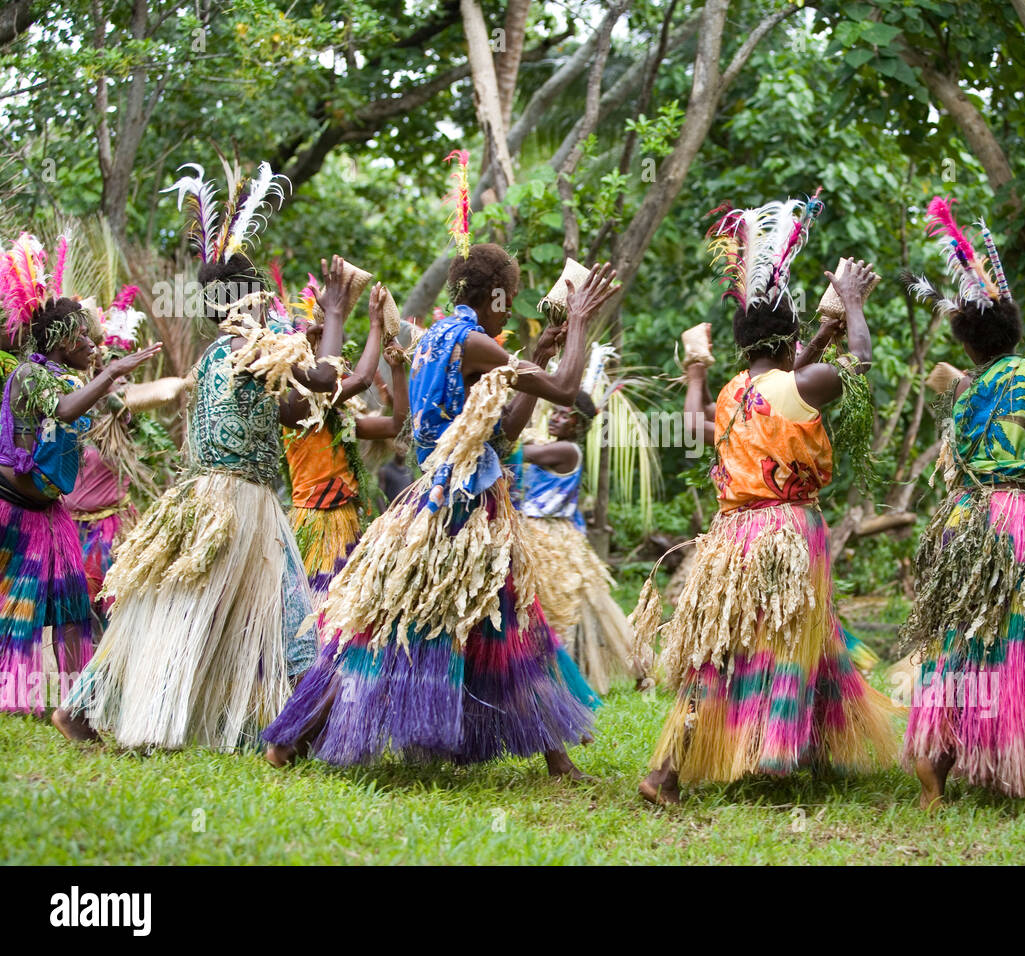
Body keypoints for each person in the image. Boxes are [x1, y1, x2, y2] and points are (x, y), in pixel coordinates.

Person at [262, 241, 620, 780]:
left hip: (446, 504)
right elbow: (569, 390)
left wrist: (540, 355)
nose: (511, 311)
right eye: (511, 299)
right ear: (493, 296)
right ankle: (293, 737)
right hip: (459, 509)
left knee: (505, 622)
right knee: (396, 625)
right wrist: (578, 322)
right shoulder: (474, 342)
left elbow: (504, 435)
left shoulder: (436, 338)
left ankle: (556, 759)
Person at [53, 161, 339, 750]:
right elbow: (324, 378)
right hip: (239, 503)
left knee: (169, 603)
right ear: (252, 300)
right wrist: (334, 315)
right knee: (288, 614)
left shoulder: (217, 357)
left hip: (204, 497)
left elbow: (283, 411)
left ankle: (88, 706)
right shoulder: (254, 347)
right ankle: (297, 730)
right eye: (264, 299)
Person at [636, 195, 898, 805]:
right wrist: (854, 308)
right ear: (792, 340)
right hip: (786, 534)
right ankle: (776, 760)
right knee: (784, 641)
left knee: (725, 651)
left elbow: (780, 383)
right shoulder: (798, 384)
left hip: (733, 535)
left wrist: (814, 335)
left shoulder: (736, 391)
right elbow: (859, 364)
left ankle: (673, 771)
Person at [898, 198, 1025, 807]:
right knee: (1015, 631)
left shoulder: (963, 390)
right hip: (1018, 519)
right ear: (1016, 332)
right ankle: (1015, 754)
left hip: (963, 518)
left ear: (967, 342)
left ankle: (939, 755)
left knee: (959, 633)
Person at [0, 234, 162, 715]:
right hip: (14, 509)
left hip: (52, 511)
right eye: (85, 338)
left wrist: (119, 396)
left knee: (73, 608)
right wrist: (109, 376)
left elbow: (100, 408)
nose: (93, 345)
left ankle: (76, 701)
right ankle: (14, 700)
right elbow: (67, 411)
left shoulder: (69, 378)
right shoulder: (31, 376)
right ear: (64, 341)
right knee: (17, 608)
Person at [280, 282, 409, 606]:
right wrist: (376, 326)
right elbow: (363, 378)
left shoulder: (338, 420)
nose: (335, 356)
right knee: (319, 612)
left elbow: (397, 424)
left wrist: (396, 371)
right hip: (317, 527)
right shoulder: (302, 406)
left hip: (349, 522)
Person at [65, 286, 184, 622]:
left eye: (93, 345)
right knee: (76, 618)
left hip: (111, 527)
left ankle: (109, 675)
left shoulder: (114, 394)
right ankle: (80, 675)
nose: (91, 352)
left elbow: (142, 398)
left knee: (114, 614)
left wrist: (183, 382)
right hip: (69, 528)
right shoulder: (60, 395)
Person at [520, 393, 648, 694]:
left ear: (578, 426)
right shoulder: (552, 445)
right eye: (555, 412)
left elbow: (522, 452)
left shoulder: (566, 450)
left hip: (554, 539)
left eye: (565, 416)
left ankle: (635, 668)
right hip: (536, 533)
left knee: (579, 606)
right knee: (579, 605)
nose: (555, 418)